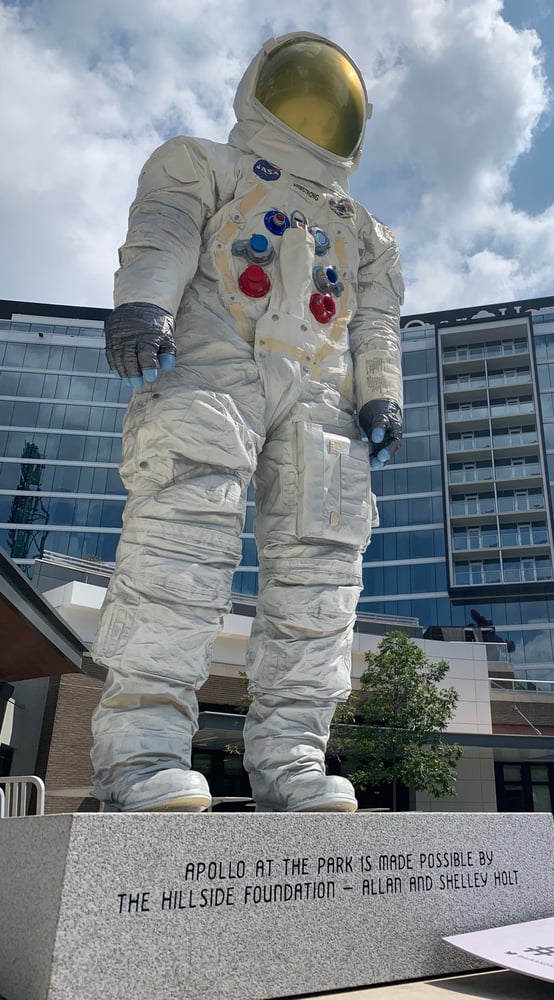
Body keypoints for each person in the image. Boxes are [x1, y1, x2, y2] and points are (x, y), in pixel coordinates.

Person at [89, 32, 404, 814]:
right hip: (211, 358)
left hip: (321, 394)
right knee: (180, 549)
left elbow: (377, 324)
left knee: (321, 582)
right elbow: (163, 227)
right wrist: (145, 302)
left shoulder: (362, 229)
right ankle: (142, 752)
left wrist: (380, 391)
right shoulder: (202, 164)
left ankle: (295, 757)